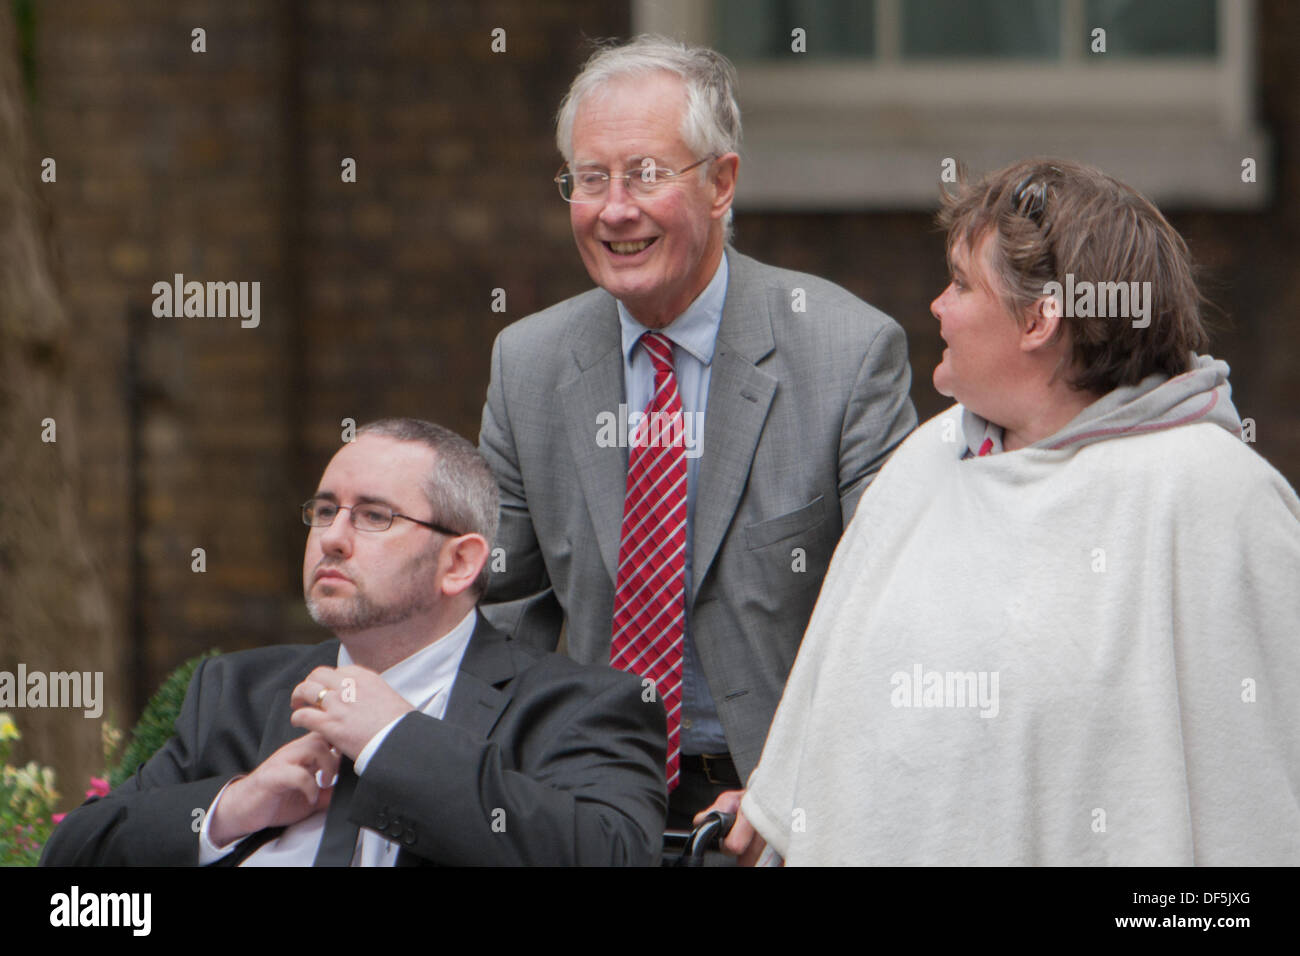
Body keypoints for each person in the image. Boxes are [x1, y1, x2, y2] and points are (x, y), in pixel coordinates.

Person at [718, 157, 1300, 865]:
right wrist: (787, 807)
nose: (938, 305)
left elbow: (1259, 794)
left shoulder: (1215, 498)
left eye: (962, 283)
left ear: (1038, 319)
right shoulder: (927, 462)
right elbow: (854, 716)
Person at [478, 35, 916, 826]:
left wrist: (801, 795)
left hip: (781, 802)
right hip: (591, 800)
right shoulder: (529, 363)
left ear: (722, 183)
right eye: (590, 178)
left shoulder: (846, 353)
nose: (615, 208)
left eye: (646, 174)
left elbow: (891, 620)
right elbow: (502, 612)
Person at [41, 419, 666, 866]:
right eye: (324, 511)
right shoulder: (236, 693)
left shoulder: (580, 708)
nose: (333, 538)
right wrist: (234, 808)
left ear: (460, 563)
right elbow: (73, 877)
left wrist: (394, 741)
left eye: (374, 516)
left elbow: (611, 855)